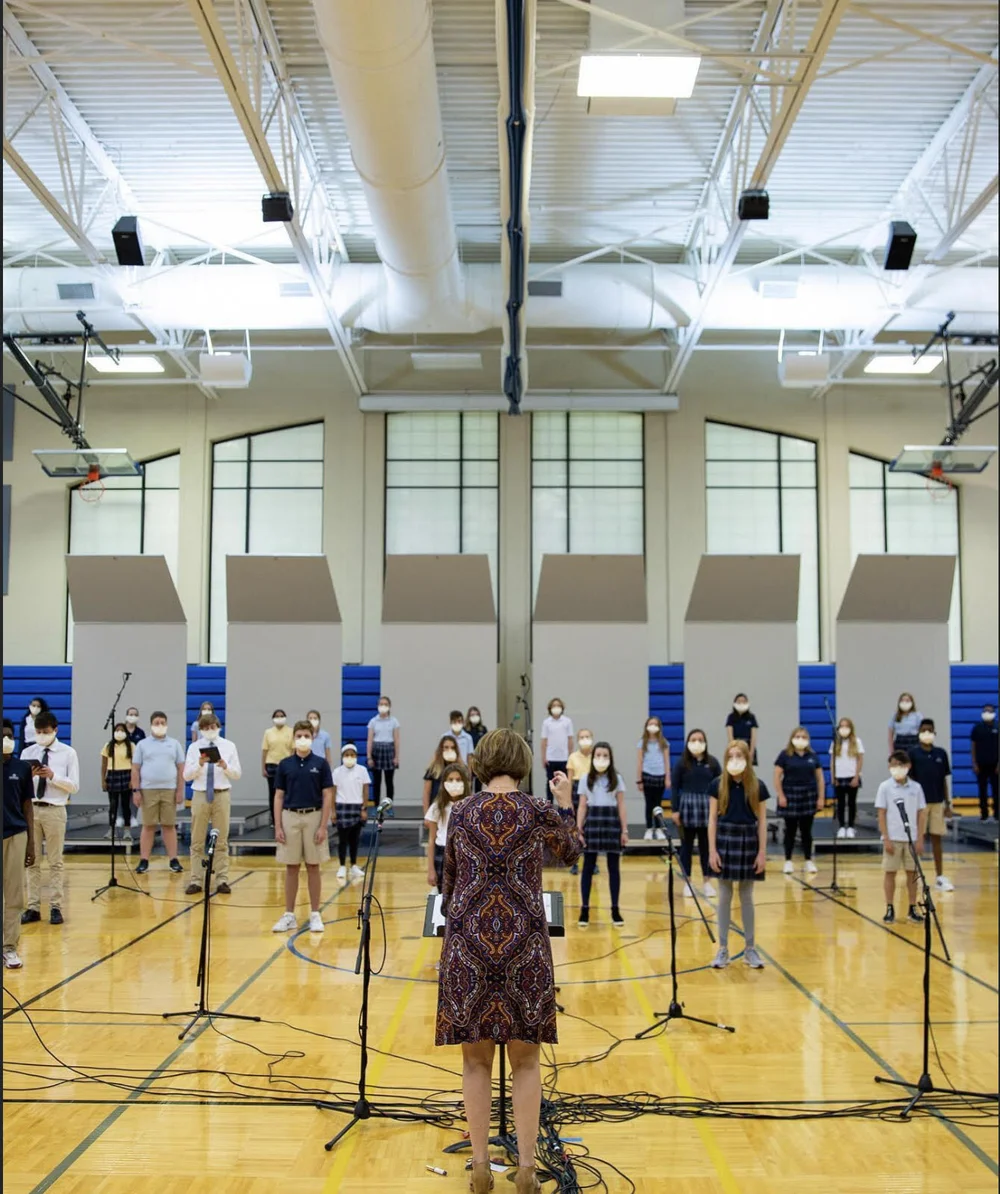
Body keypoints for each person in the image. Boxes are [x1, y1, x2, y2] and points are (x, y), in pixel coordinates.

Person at [435, 728, 580, 1194]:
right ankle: (526, 1170)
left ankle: (480, 1169)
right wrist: (565, 800)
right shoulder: (537, 809)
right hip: (523, 948)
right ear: (520, 763)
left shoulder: (461, 811)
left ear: (481, 764)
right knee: (526, 1062)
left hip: (469, 947)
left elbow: (448, 884)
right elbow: (572, 852)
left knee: (475, 1062)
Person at [708, 739, 768, 970]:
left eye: (739, 756)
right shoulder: (717, 785)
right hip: (725, 839)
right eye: (731, 756)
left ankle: (750, 949)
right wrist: (712, 850)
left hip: (748, 840)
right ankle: (723, 949)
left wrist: (762, 852)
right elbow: (712, 819)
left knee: (746, 896)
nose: (735, 761)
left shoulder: (757, 786)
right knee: (724, 895)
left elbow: (762, 822)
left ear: (747, 759)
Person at [272, 722, 334, 933]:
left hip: (314, 816)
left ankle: (315, 914)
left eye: (306, 735)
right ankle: (289, 914)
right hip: (290, 816)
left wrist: (323, 825)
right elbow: (279, 795)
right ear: (293, 738)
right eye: (299, 735)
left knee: (313, 866)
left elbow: (327, 795)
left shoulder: (321, 763)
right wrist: (278, 825)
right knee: (291, 867)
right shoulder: (285, 764)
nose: (302, 738)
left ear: (313, 737)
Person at [21, 710, 79, 926]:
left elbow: (74, 785)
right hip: (32, 809)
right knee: (31, 860)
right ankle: (33, 907)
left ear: (55, 730)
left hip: (55, 809)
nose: (42, 735)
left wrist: (53, 776)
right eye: (38, 732)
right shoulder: (28, 752)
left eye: (45, 731)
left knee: (55, 861)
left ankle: (56, 906)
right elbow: (19, 785)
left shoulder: (68, 753)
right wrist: (30, 777)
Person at [183, 712, 241, 896]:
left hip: (221, 793)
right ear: (200, 730)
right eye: (206, 728)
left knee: (221, 839)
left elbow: (237, 774)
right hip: (200, 793)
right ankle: (196, 880)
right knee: (197, 839)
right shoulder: (194, 747)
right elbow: (186, 775)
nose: (210, 730)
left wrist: (225, 766)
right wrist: (199, 764)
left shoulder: (229, 746)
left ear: (219, 727)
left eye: (213, 727)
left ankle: (222, 879)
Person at [576, 742, 629, 929]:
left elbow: (621, 805)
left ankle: (615, 909)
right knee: (588, 867)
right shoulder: (584, 779)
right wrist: (578, 829)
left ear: (610, 758)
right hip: (593, 821)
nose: (601, 759)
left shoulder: (617, 779)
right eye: (598, 755)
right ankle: (584, 909)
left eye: (605, 755)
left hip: (611, 821)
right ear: (593, 758)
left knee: (614, 867)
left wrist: (624, 830)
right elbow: (582, 805)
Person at [875, 751, 927, 925]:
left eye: (900, 765)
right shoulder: (885, 787)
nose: (896, 768)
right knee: (890, 872)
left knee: (913, 874)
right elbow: (881, 814)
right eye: (893, 765)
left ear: (908, 766)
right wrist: (886, 838)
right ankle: (890, 907)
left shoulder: (916, 788)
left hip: (911, 838)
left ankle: (912, 907)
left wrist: (920, 838)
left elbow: (921, 813)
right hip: (893, 837)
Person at [131, 711, 185, 874]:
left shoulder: (174, 744)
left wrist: (180, 790)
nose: (159, 725)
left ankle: (173, 859)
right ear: (151, 725)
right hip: (148, 790)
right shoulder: (142, 744)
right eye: (156, 722)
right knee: (148, 826)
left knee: (169, 825)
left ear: (166, 725)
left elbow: (181, 767)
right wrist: (136, 790)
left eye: (162, 722)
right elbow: (135, 768)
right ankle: (144, 860)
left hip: (169, 789)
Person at [671, 729, 721, 899]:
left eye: (700, 739)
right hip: (688, 807)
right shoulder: (681, 763)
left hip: (707, 807)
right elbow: (675, 788)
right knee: (686, 847)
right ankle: (688, 883)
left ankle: (707, 882)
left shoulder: (713, 763)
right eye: (693, 739)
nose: (697, 742)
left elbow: (720, 786)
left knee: (706, 846)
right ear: (687, 742)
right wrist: (675, 810)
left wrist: (720, 807)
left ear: (705, 742)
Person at [3, 720, 35, 969]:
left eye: (10, 736)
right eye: (3, 735)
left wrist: (32, 843)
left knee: (14, 895)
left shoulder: (22, 768)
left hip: (16, 834)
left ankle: (9, 947)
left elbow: (27, 806)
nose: (7, 740)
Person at [907, 719, 953, 892]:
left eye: (930, 730)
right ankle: (915, 875)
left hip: (937, 802)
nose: (927, 733)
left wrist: (947, 804)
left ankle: (940, 876)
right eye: (924, 730)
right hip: (919, 804)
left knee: (936, 839)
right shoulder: (913, 753)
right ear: (919, 732)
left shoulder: (941, 753)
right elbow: (909, 779)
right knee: (917, 840)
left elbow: (943, 780)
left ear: (934, 733)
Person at [774, 727, 825, 876]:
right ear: (792, 738)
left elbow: (820, 779)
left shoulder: (812, 756)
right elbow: (777, 776)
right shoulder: (784, 755)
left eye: (803, 736)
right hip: (790, 793)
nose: (800, 739)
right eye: (797, 736)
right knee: (790, 829)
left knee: (806, 830)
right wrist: (781, 795)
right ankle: (788, 861)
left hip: (808, 794)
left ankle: (808, 860)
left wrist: (821, 797)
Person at [425, 761, 470, 892]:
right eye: (450, 780)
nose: (454, 783)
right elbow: (431, 840)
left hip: (464, 853)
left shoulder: (470, 806)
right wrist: (431, 870)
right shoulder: (437, 807)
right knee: (445, 896)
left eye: (458, 779)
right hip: (442, 853)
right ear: (444, 782)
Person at [331, 744, 371, 882]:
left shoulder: (362, 770)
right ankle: (342, 865)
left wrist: (364, 808)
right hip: (342, 807)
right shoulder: (337, 772)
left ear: (356, 756)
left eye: (352, 755)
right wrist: (333, 811)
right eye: (346, 755)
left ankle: (354, 864)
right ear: (342, 757)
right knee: (342, 840)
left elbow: (366, 790)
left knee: (355, 839)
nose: (349, 758)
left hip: (357, 807)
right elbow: (333, 792)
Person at [564, 729, 594, 876]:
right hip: (576, 788)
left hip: (591, 788)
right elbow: (569, 781)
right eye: (582, 737)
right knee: (576, 827)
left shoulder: (596, 756)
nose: (585, 739)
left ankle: (592, 863)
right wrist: (568, 799)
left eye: (587, 736)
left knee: (590, 827)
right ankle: (575, 862)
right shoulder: (573, 757)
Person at [101, 722, 136, 844]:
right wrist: (103, 780)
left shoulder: (131, 746)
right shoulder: (108, 746)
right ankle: (112, 830)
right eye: (117, 730)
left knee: (126, 805)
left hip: (126, 775)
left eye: (122, 730)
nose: (119, 733)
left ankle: (127, 831)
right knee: (113, 805)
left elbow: (134, 765)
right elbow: (104, 764)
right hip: (112, 775)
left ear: (126, 733)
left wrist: (133, 779)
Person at [637, 716, 670, 841]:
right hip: (647, 775)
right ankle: (649, 829)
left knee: (658, 804)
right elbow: (639, 762)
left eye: (655, 724)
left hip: (660, 776)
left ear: (659, 727)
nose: (653, 726)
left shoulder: (664, 743)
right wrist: (639, 779)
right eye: (650, 724)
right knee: (649, 804)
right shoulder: (642, 743)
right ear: (646, 726)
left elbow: (666, 762)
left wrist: (667, 778)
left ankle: (659, 828)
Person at [830, 717, 864, 839]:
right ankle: (841, 827)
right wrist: (833, 776)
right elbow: (832, 760)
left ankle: (850, 827)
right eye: (842, 726)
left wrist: (856, 776)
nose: (844, 729)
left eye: (846, 726)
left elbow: (860, 759)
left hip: (851, 776)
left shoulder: (857, 741)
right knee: (840, 803)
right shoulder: (835, 742)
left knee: (851, 803)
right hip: (839, 776)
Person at [261, 709, 294, 827]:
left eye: (281, 716)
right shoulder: (268, 732)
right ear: (273, 718)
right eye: (277, 716)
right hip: (271, 765)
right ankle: (275, 820)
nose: (279, 718)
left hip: (286, 765)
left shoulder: (291, 731)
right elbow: (265, 750)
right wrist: (263, 767)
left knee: (287, 793)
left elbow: (292, 749)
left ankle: (285, 819)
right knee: (273, 793)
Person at [366, 696, 400, 805]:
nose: (383, 707)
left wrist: (396, 757)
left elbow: (396, 740)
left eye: (385, 704)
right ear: (377, 706)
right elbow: (370, 740)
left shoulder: (394, 721)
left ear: (389, 707)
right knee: (377, 781)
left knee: (389, 781)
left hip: (389, 750)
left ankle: (389, 805)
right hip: (377, 750)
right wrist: (369, 756)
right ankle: (377, 806)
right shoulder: (373, 721)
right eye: (381, 704)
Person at [971, 703, 998, 821]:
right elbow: (973, 746)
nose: (987, 713)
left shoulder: (998, 727)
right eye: (985, 711)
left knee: (997, 790)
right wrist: (974, 763)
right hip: (981, 764)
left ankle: (997, 813)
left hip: (995, 765)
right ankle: (984, 813)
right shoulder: (977, 728)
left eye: (990, 711)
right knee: (982, 790)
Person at [540, 698, 574, 793]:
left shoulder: (567, 721)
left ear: (562, 708)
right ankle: (549, 804)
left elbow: (570, 739)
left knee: (564, 781)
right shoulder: (546, 722)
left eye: (558, 706)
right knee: (550, 782)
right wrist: (544, 757)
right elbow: (544, 741)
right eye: (554, 706)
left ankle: (563, 804)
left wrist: (570, 756)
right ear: (550, 708)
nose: (556, 708)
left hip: (564, 758)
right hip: (551, 757)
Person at [423, 735, 460, 816]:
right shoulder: (433, 769)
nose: (449, 750)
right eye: (446, 747)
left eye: (452, 747)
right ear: (441, 749)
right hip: (437, 810)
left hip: (455, 811)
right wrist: (426, 814)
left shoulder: (461, 769)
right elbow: (426, 793)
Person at [725, 694, 758, 764]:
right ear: (734, 704)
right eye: (739, 702)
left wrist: (751, 752)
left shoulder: (751, 717)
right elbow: (730, 736)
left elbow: (753, 737)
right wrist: (734, 750)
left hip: (748, 746)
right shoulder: (731, 717)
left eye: (744, 702)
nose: (741, 704)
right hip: (736, 745)